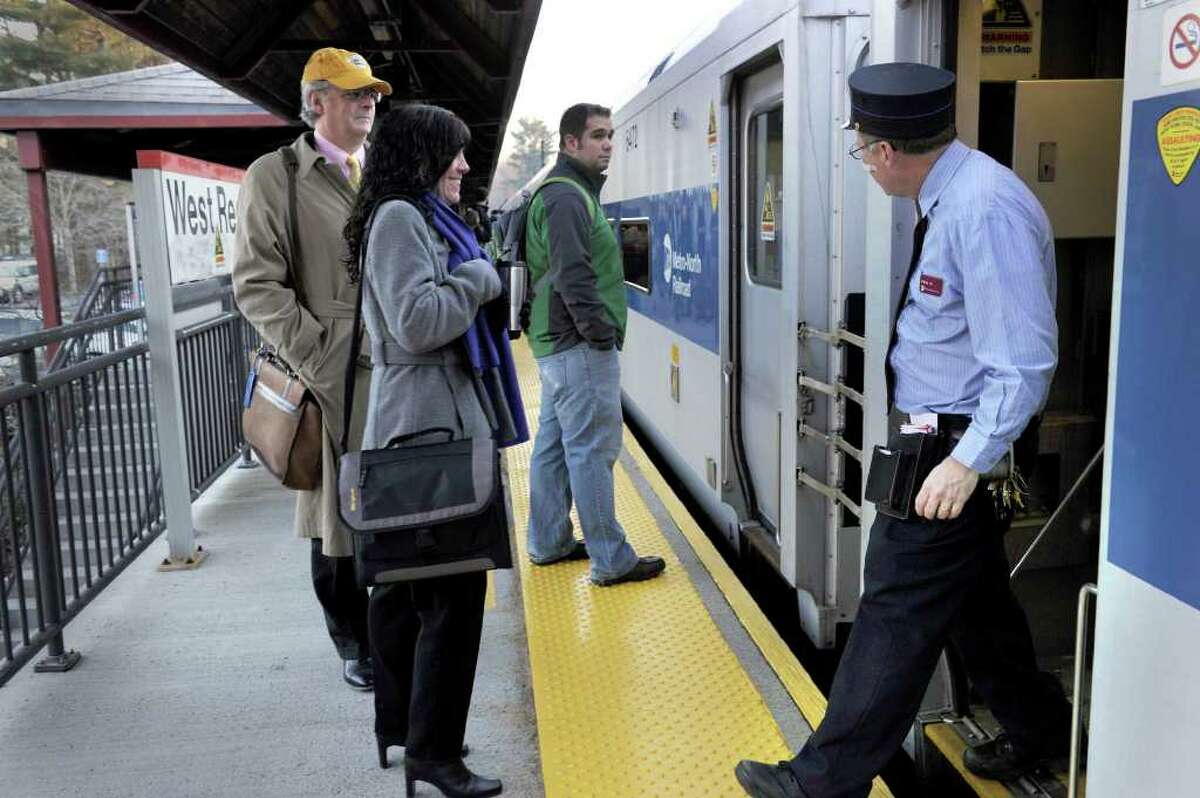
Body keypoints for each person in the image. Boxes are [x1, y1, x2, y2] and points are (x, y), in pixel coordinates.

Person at [735, 62, 1070, 797]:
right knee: (977, 608)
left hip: (948, 448)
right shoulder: (954, 195)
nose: (864, 162)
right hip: (940, 439)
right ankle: (1041, 727)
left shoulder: (982, 209)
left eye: (861, 148)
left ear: (885, 150)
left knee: (894, 606)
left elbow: (1022, 360)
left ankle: (822, 782)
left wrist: (969, 460)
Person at [343, 103, 523, 798]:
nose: (465, 166)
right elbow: (417, 322)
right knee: (453, 598)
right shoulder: (399, 220)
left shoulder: (415, 216)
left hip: (426, 417)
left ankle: (407, 730)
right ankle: (436, 756)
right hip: (426, 423)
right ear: (421, 154)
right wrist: (481, 277)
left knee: (404, 596)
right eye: (453, 153)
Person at [232, 47, 387, 691]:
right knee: (334, 521)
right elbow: (256, 284)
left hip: (385, 372)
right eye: (353, 94)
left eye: (371, 93)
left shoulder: (374, 171)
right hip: (330, 375)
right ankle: (352, 641)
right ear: (316, 101)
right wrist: (321, 354)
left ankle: (386, 631)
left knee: (380, 508)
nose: (367, 103)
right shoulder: (277, 174)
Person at [524, 103, 666, 586]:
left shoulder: (567, 192)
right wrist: (599, 332)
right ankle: (611, 558)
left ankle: (548, 541)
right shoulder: (567, 197)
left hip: (556, 343)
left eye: (610, 135)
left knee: (555, 444)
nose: (608, 144)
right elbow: (573, 275)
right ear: (570, 143)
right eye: (598, 136)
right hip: (577, 345)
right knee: (592, 448)